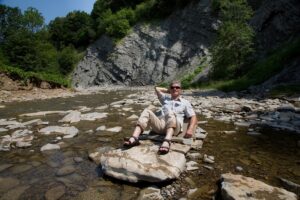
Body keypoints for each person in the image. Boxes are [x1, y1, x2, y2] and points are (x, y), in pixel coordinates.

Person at [124, 80, 197, 154]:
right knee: (147, 111)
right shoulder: (165, 99)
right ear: (170, 89)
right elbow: (157, 89)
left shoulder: (185, 103)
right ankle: (135, 137)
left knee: (169, 112)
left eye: (177, 87)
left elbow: (193, 116)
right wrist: (169, 91)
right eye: (172, 87)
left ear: (181, 89)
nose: (175, 89)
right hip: (161, 126)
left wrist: (190, 129)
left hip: (175, 128)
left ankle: (167, 141)